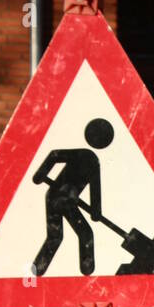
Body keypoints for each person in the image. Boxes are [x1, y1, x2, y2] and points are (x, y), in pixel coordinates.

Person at [31, 118, 114, 276]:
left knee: (56, 236)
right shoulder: (87, 156)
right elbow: (55, 155)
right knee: (83, 234)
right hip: (59, 198)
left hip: (63, 199)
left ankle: (37, 270)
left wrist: (96, 211)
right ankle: (85, 271)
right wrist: (40, 174)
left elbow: (95, 189)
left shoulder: (91, 159)